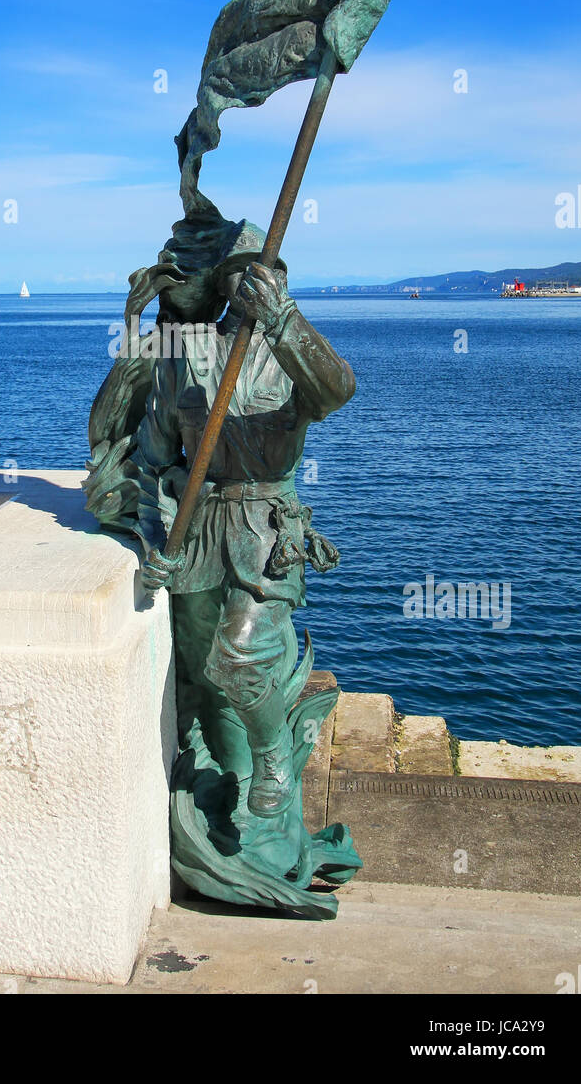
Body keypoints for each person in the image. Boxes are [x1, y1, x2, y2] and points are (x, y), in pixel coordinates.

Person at [132, 223, 355, 818]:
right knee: (203, 676)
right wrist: (154, 531)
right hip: (197, 524)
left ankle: (273, 751)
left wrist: (283, 320)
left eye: (270, 269)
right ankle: (219, 792)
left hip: (265, 526)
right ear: (223, 284)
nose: (256, 279)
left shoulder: (293, 353)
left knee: (240, 652)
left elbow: (337, 391)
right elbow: (152, 459)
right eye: (242, 270)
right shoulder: (187, 350)